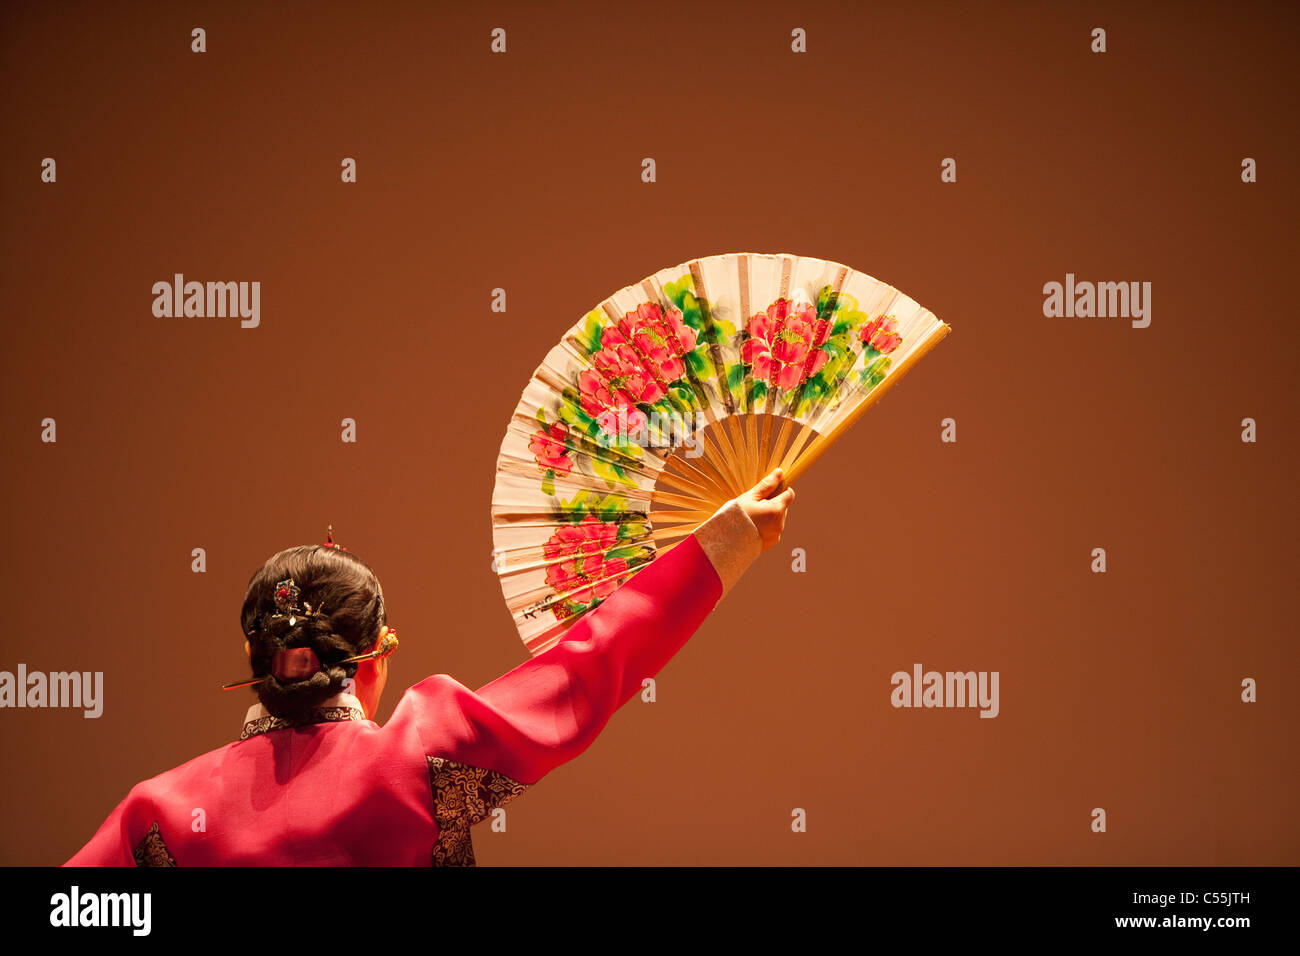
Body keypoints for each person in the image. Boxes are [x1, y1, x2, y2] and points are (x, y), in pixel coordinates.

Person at [63, 468, 796, 866]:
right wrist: (727, 542)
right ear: (377, 654)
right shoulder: (417, 758)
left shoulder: (156, 813)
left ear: (257, 662)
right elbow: (586, 671)